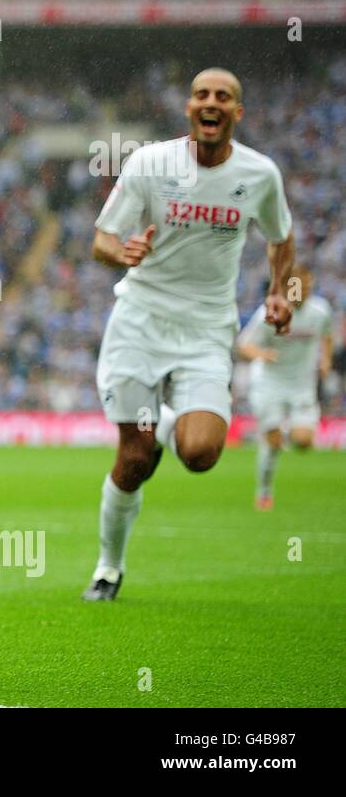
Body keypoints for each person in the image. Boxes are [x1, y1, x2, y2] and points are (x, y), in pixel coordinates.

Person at [84, 67, 294, 602]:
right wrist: (123, 252)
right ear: (188, 108)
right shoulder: (151, 163)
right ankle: (108, 568)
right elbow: (102, 241)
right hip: (140, 321)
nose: (212, 102)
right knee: (134, 458)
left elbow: (281, 238)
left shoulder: (260, 174)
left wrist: (278, 293)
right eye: (202, 94)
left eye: (223, 96)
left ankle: (170, 417)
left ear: (236, 113)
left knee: (200, 454)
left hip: (205, 329)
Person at [236, 266, 333, 510]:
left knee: (303, 441)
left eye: (309, 286)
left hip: (302, 385)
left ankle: (274, 435)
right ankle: (264, 490)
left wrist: (326, 360)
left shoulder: (320, 312)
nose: (305, 291)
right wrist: (262, 353)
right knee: (273, 442)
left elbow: (328, 335)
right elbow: (244, 345)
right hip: (269, 383)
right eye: (301, 286)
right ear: (289, 288)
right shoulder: (270, 313)